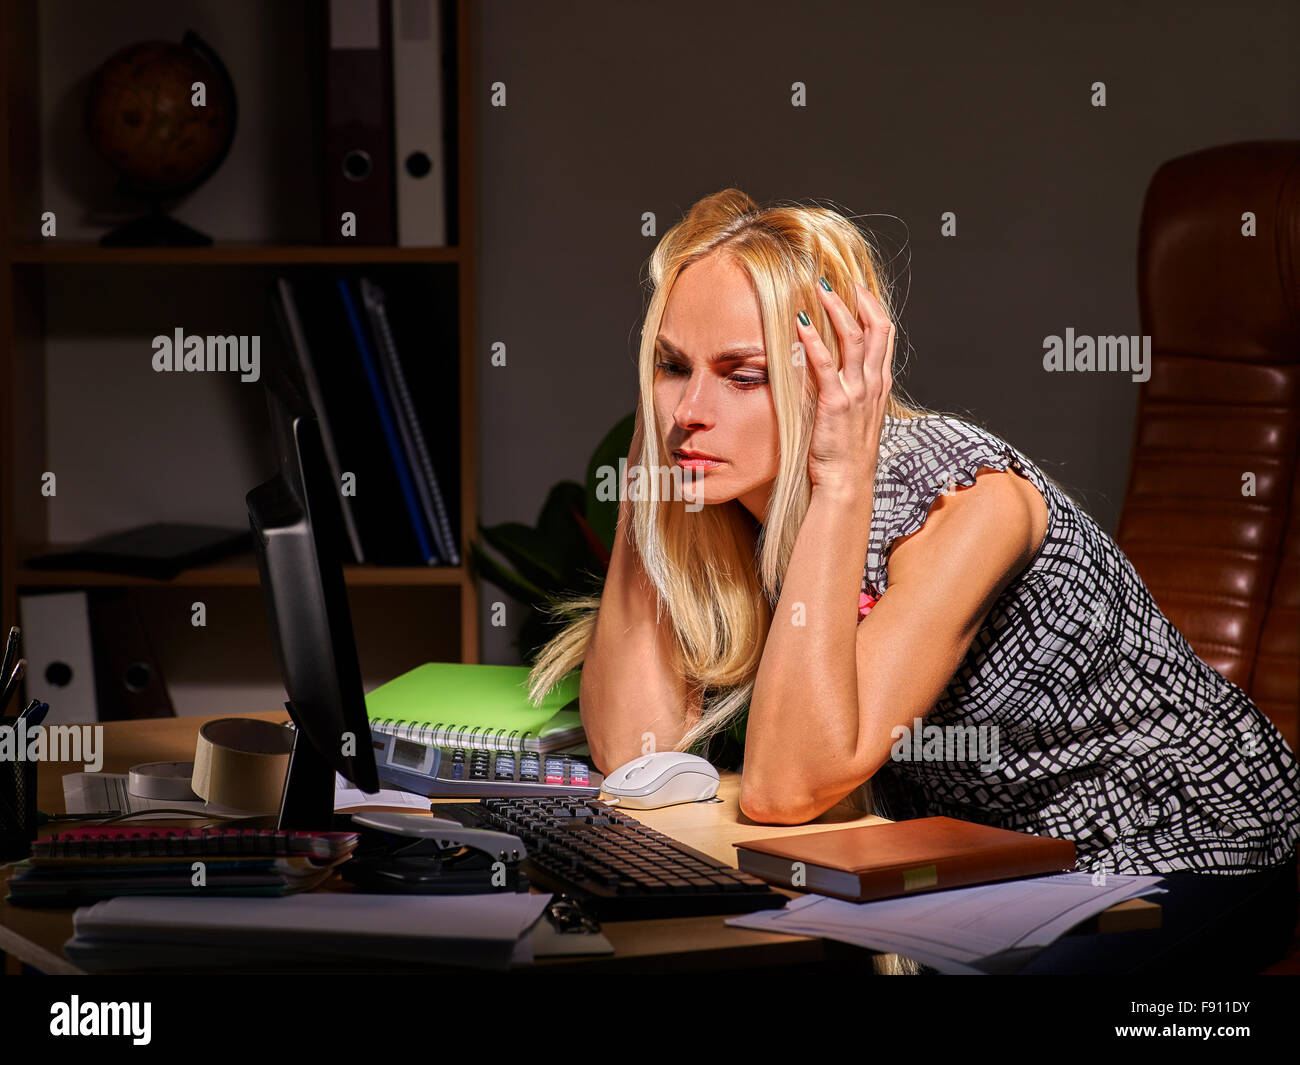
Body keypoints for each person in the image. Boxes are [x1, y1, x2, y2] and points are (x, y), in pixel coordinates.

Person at [525, 187, 1300, 973]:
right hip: (988, 859)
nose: (690, 408)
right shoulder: (729, 494)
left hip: (1186, 845)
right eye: (672, 366)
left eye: (743, 375)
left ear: (829, 377)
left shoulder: (969, 502)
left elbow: (784, 787)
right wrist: (650, 472)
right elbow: (636, 752)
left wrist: (841, 479)